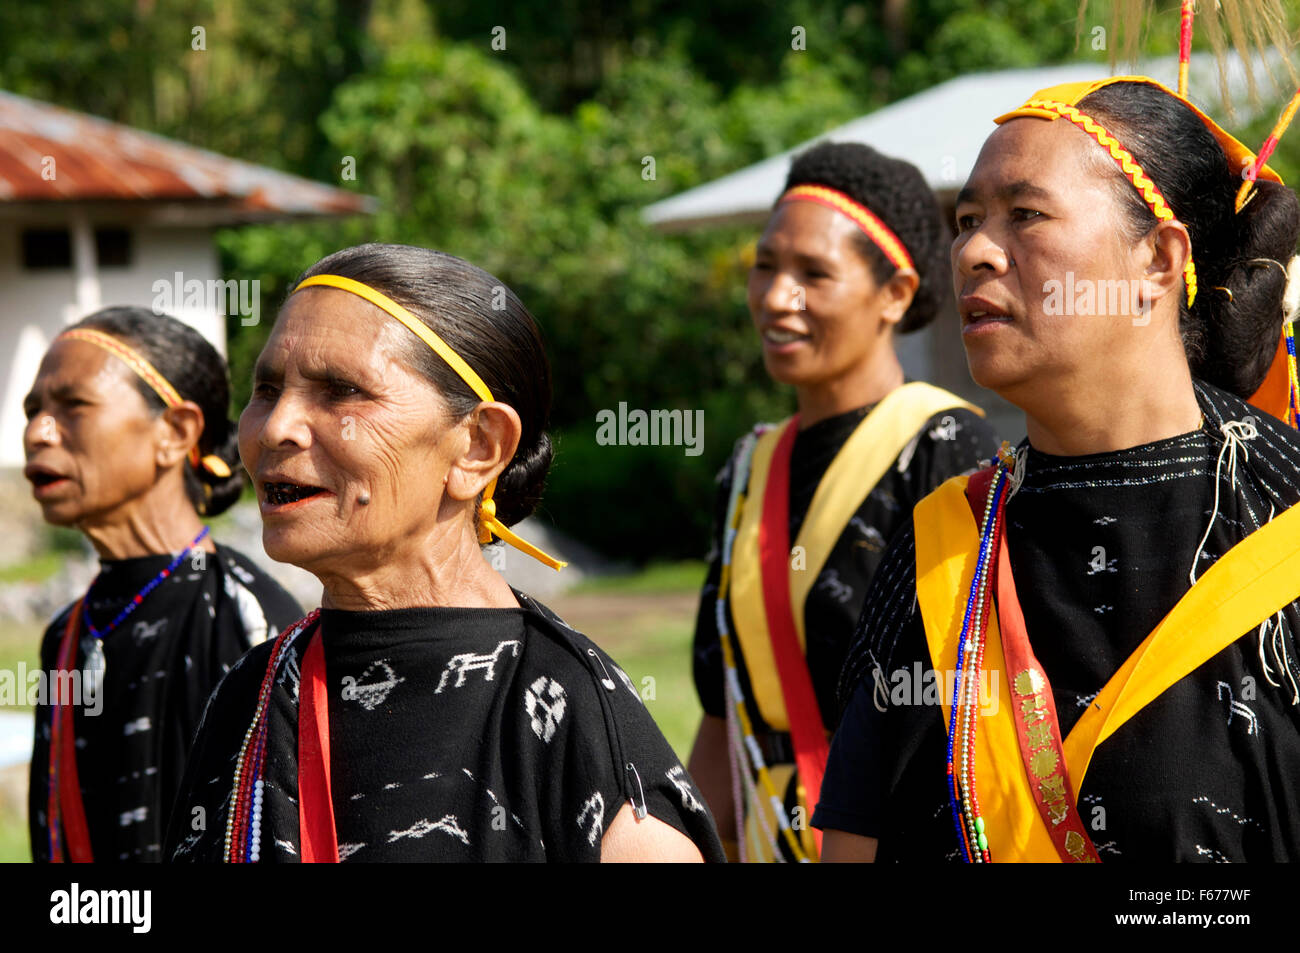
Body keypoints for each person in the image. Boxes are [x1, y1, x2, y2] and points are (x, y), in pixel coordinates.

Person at [815, 69, 1300, 862]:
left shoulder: (1286, 518)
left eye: (1025, 215)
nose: (973, 250)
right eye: (967, 219)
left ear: (1157, 259)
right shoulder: (946, 540)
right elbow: (855, 844)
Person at [165, 243, 725, 863]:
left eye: (340, 392)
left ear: (478, 447)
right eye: (267, 388)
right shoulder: (251, 695)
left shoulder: (558, 709)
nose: (275, 428)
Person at [686, 142, 1001, 862]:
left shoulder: (944, 446)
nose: (775, 297)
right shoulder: (748, 467)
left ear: (894, 294)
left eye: (813, 274)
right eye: (765, 266)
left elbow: (972, 707)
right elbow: (723, 715)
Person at [24, 306, 303, 863]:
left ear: (174, 433)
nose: (37, 432)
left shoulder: (248, 619)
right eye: (33, 411)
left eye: (73, 406)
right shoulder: (67, 634)